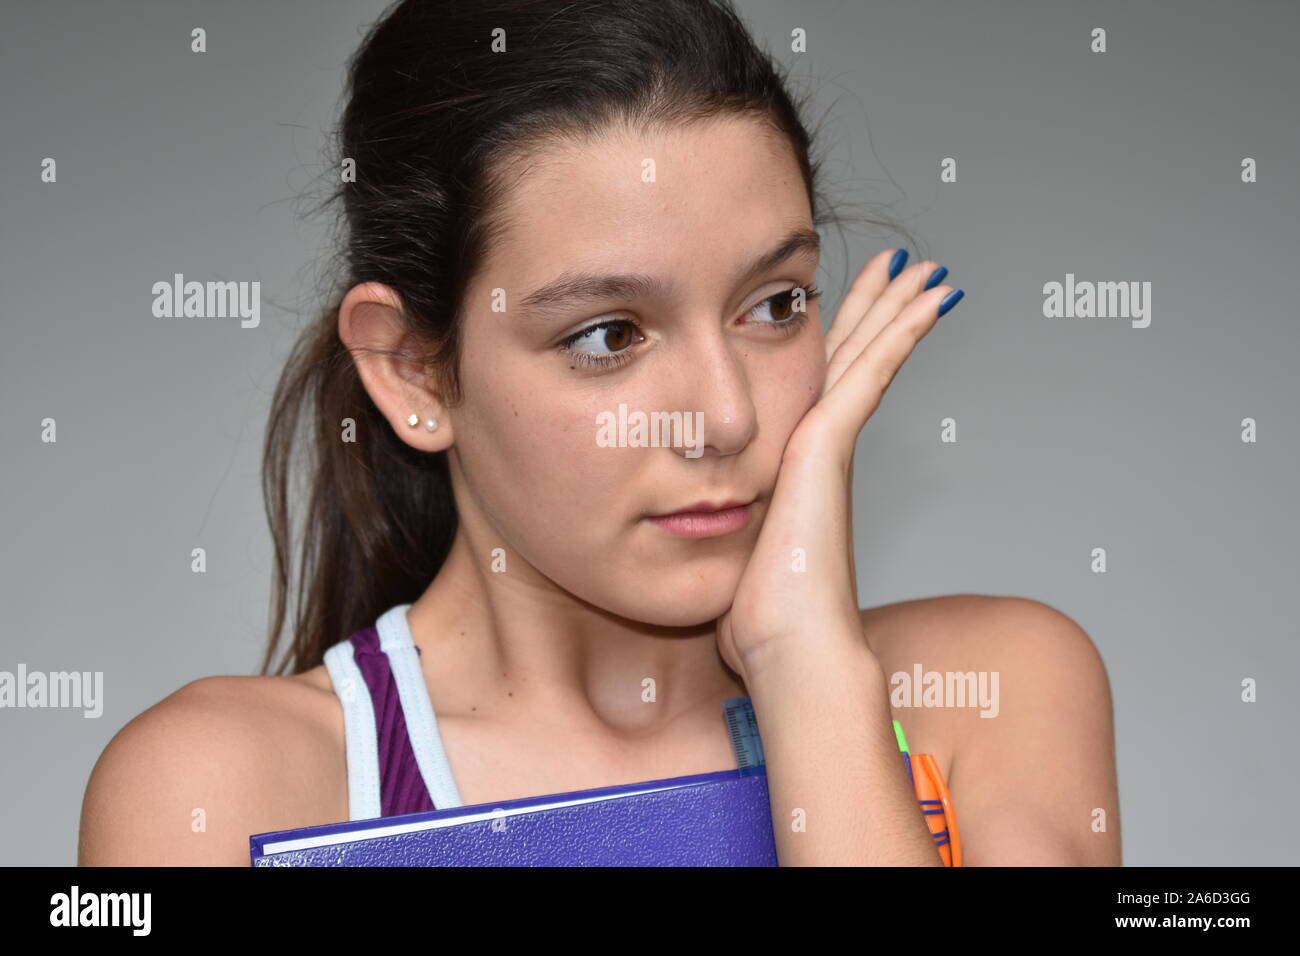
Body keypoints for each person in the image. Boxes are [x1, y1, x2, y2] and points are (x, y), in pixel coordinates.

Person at [79, 0, 1120, 866]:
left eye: (774, 304)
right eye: (608, 332)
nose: (726, 416)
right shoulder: (223, 790)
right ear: (413, 370)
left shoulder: (989, 693)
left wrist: (805, 664)